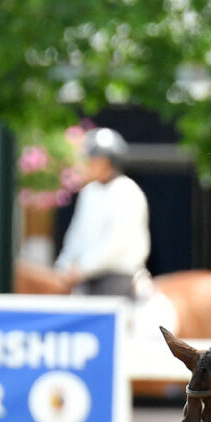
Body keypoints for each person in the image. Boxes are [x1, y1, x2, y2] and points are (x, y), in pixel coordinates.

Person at [56, 127, 150, 298]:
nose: (89, 164)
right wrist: (63, 265)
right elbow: (76, 235)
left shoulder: (128, 191)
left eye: (94, 159)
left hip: (119, 278)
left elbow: (116, 242)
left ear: (109, 162)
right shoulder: (89, 193)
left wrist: (83, 268)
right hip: (86, 278)